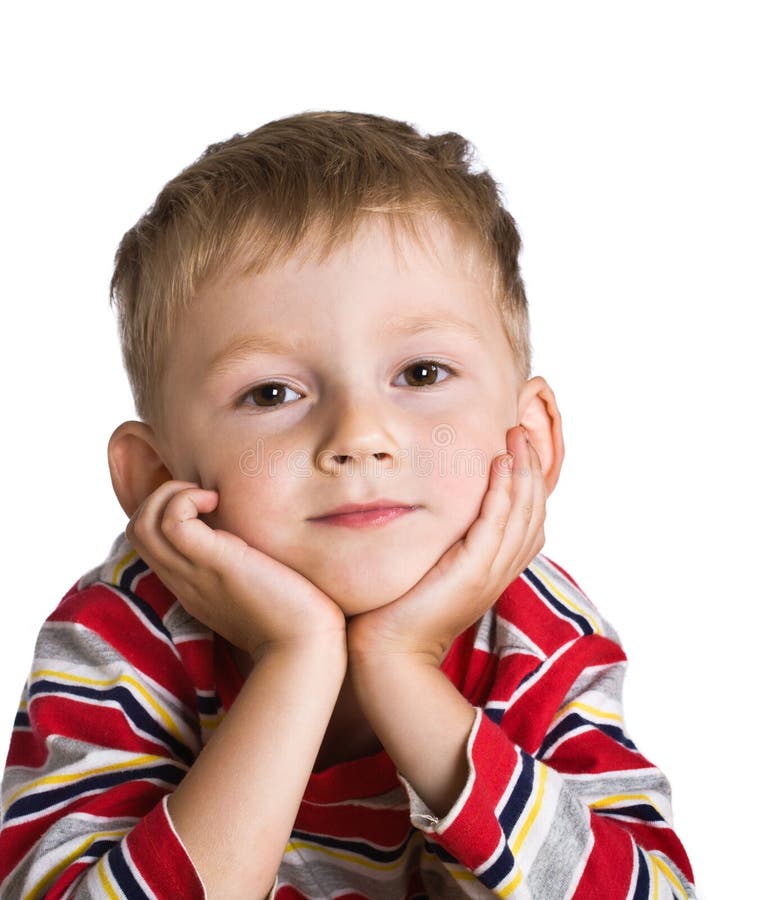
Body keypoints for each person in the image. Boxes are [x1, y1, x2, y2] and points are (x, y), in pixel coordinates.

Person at [0, 111, 696, 899]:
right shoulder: (121, 636)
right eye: (271, 392)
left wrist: (402, 670)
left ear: (527, 440)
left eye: (423, 373)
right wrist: (293, 662)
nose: (360, 437)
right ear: (158, 477)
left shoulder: (537, 631)